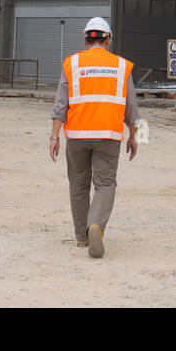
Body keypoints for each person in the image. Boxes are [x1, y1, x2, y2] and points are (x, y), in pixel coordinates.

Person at [49, 17, 139, 258]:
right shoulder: (121, 66)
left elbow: (61, 104)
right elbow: (131, 106)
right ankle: (96, 224)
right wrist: (133, 135)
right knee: (105, 183)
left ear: (86, 39)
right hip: (108, 135)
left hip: (77, 135)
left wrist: (54, 137)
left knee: (78, 184)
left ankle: (82, 236)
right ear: (108, 39)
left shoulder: (72, 63)